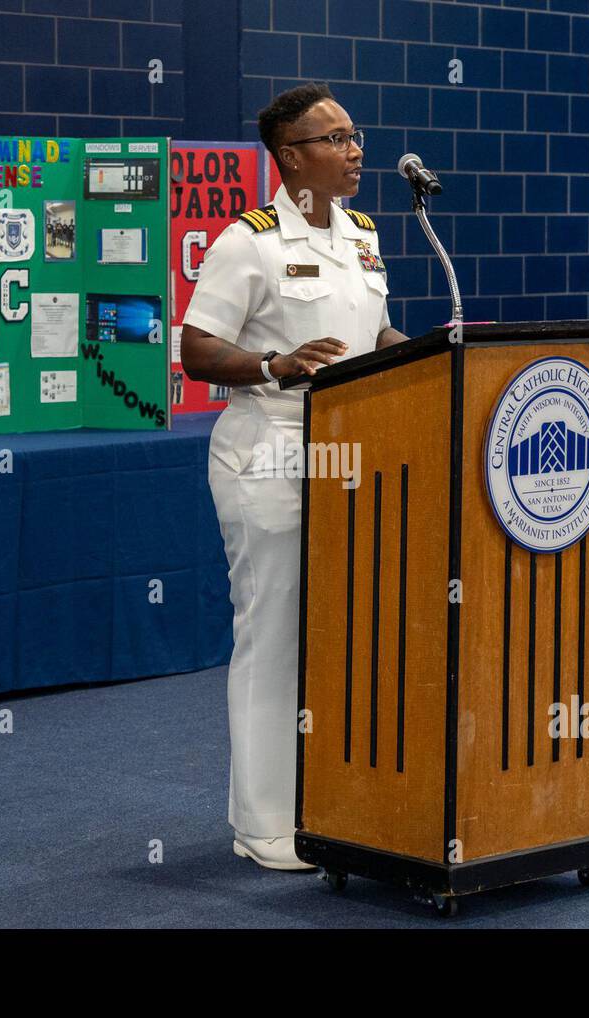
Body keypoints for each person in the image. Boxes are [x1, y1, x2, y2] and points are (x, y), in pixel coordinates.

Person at [181, 82, 408, 872]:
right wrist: (275, 364)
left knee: (342, 634)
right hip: (272, 450)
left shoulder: (363, 235)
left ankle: (331, 798)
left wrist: (406, 345)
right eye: (336, 138)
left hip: (355, 453)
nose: (356, 150)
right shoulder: (249, 241)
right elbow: (198, 350)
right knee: (273, 637)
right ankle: (265, 823)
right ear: (290, 157)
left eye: (355, 133)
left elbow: (365, 330)